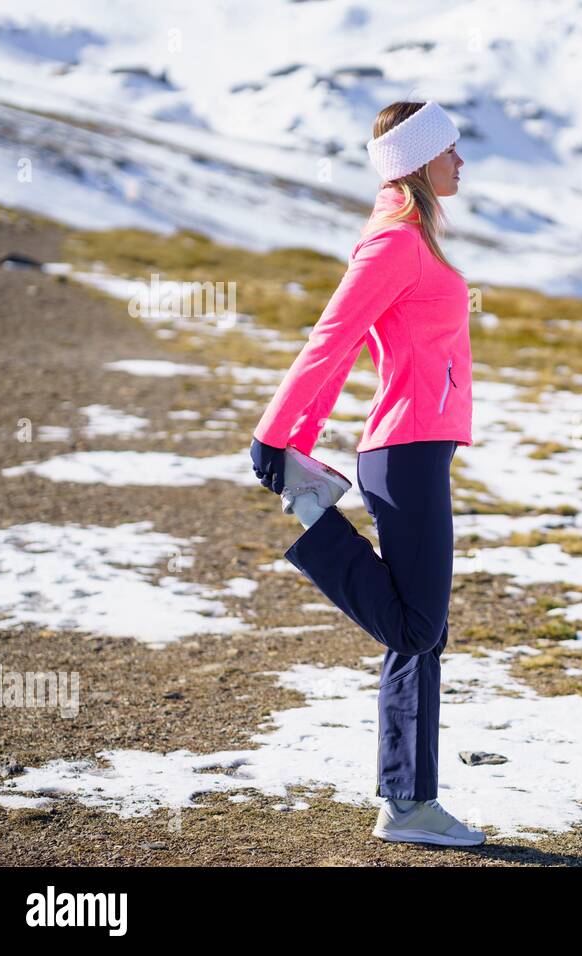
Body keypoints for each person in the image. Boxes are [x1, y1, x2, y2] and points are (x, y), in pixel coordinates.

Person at [249, 100, 482, 847]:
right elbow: (333, 339)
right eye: (450, 149)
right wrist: (280, 435)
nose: (461, 161)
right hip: (402, 453)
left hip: (418, 449)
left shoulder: (418, 237)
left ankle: (408, 803)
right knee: (418, 626)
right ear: (417, 160)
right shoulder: (392, 245)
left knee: (421, 634)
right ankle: (317, 519)